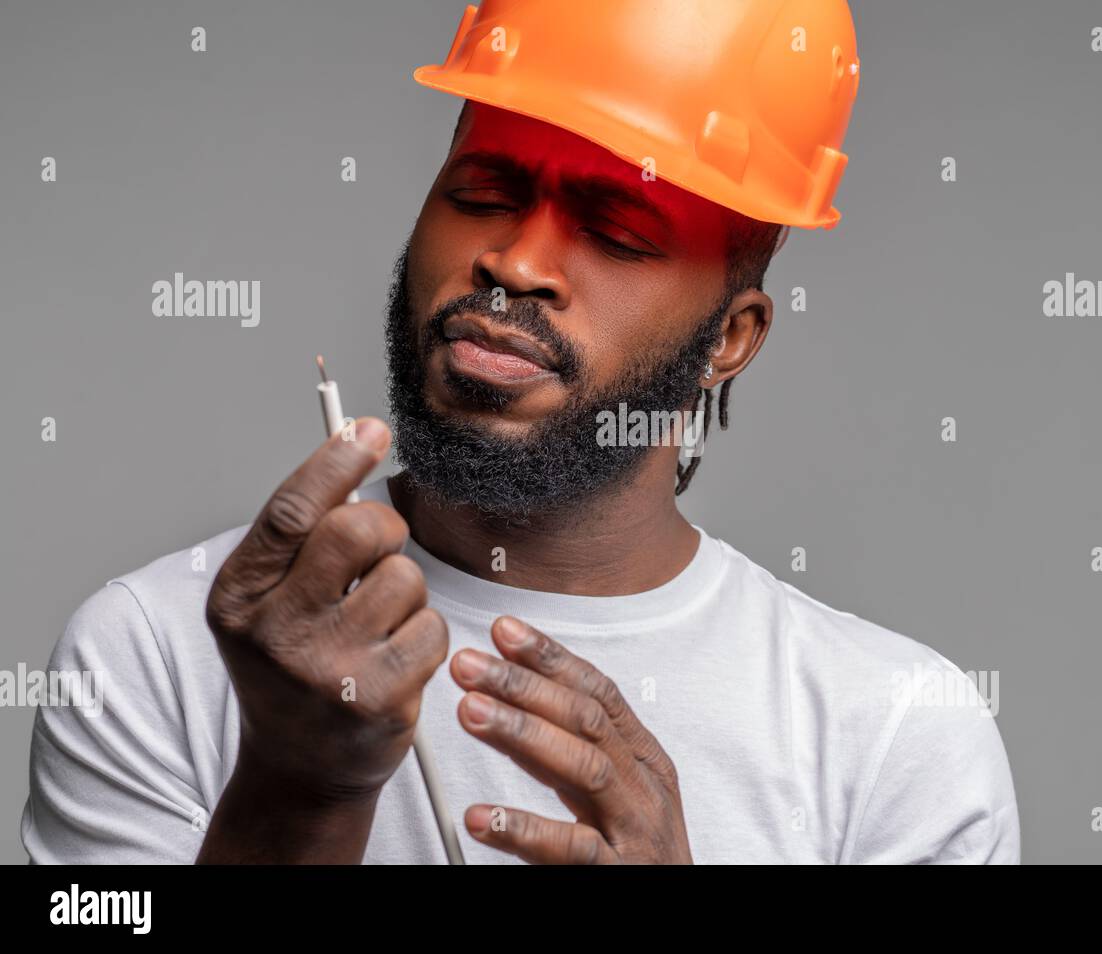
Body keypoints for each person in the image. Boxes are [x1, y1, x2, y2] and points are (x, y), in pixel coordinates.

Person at [22, 0, 1019, 864]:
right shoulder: (156, 647)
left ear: (731, 336)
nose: (515, 261)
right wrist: (298, 790)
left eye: (619, 232)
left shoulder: (896, 734)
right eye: (483, 195)